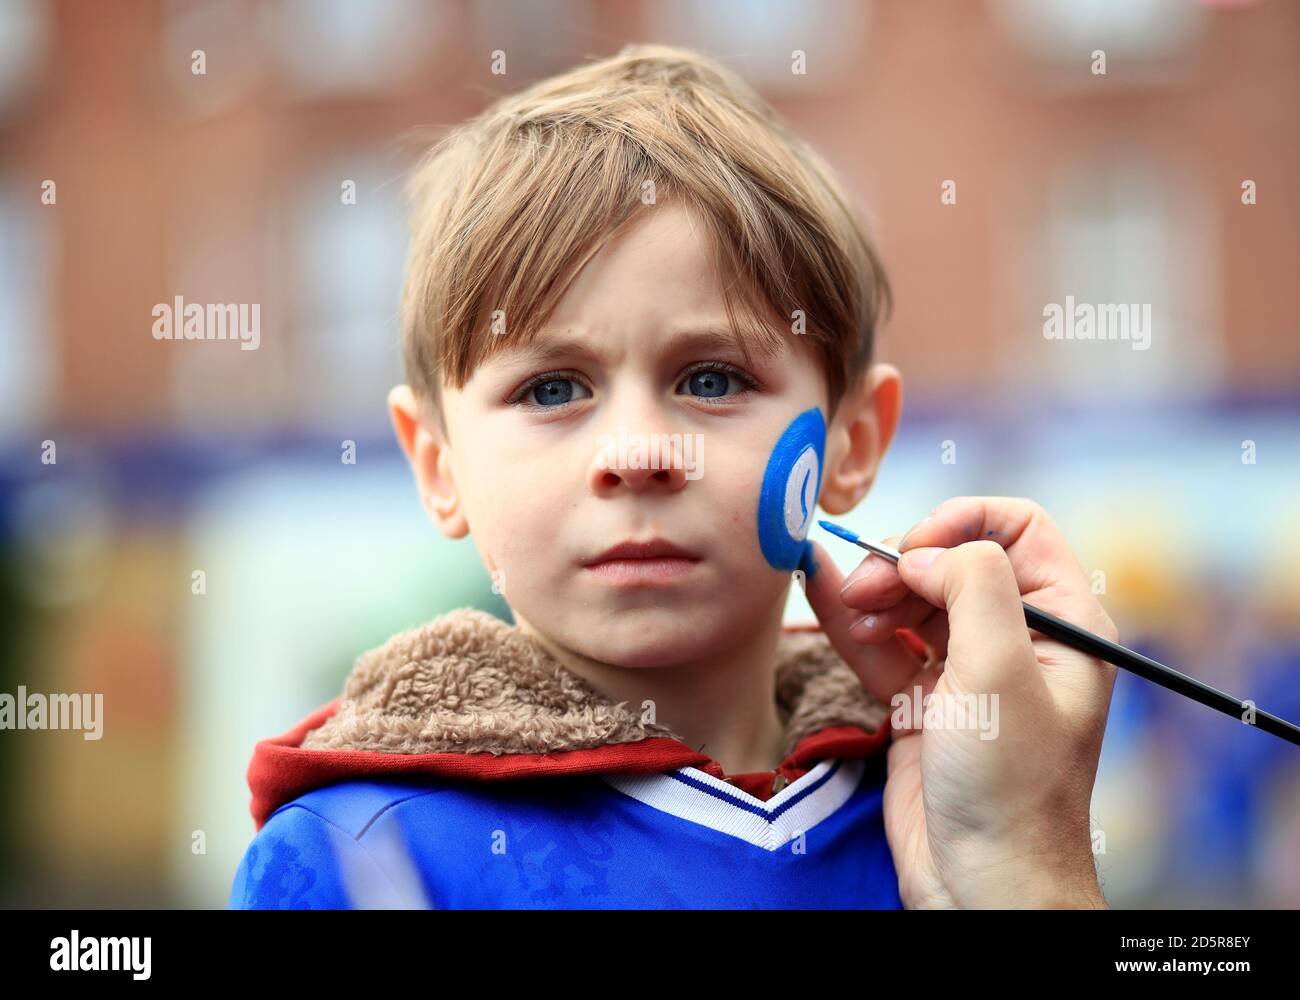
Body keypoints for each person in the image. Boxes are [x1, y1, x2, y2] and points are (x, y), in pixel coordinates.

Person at [229, 43, 1117, 909]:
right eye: (551, 388)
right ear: (438, 463)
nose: (640, 453)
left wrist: (1027, 868)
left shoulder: (955, 804)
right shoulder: (348, 856)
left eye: (712, 380)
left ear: (849, 446)